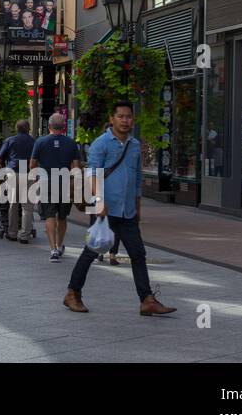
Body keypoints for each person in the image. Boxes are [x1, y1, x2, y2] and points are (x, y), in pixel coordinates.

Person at [63, 102, 176, 316]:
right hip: (104, 210)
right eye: (121, 117)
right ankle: (72, 294)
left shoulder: (134, 145)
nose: (125, 121)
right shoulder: (101, 143)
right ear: (112, 119)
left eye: (129, 117)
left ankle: (147, 300)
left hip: (128, 211)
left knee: (138, 253)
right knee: (91, 251)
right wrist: (98, 201)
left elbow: (136, 177)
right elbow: (93, 173)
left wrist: (138, 204)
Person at [31, 112, 81, 262]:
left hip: (47, 184)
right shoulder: (71, 143)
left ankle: (53, 250)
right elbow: (76, 167)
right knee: (63, 217)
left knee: (49, 215)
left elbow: (32, 165)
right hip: (65, 183)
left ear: (50, 126)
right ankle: (60, 245)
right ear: (64, 126)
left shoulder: (40, 142)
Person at [0, 119, 37, 244]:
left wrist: (0, 168)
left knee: (13, 204)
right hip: (28, 173)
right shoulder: (33, 141)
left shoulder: (10, 140)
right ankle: (24, 235)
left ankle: (12, 233)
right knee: (27, 207)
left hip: (13, 173)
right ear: (28, 128)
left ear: (16, 128)